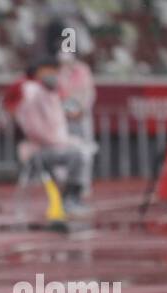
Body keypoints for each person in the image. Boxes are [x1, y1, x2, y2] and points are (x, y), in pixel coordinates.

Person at [12, 56, 90, 211]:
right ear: (38, 72)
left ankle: (71, 197)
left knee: (81, 151)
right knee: (76, 155)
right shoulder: (30, 92)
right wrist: (59, 142)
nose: (53, 74)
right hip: (38, 150)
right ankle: (70, 199)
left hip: (56, 147)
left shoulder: (54, 93)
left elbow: (74, 112)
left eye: (55, 71)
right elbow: (34, 130)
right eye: (49, 70)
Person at [57, 48, 96, 197]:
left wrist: (80, 111)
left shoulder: (83, 70)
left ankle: (83, 184)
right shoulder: (58, 72)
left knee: (85, 151)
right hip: (64, 118)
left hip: (82, 117)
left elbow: (88, 93)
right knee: (64, 150)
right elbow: (58, 94)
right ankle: (64, 185)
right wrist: (67, 111)